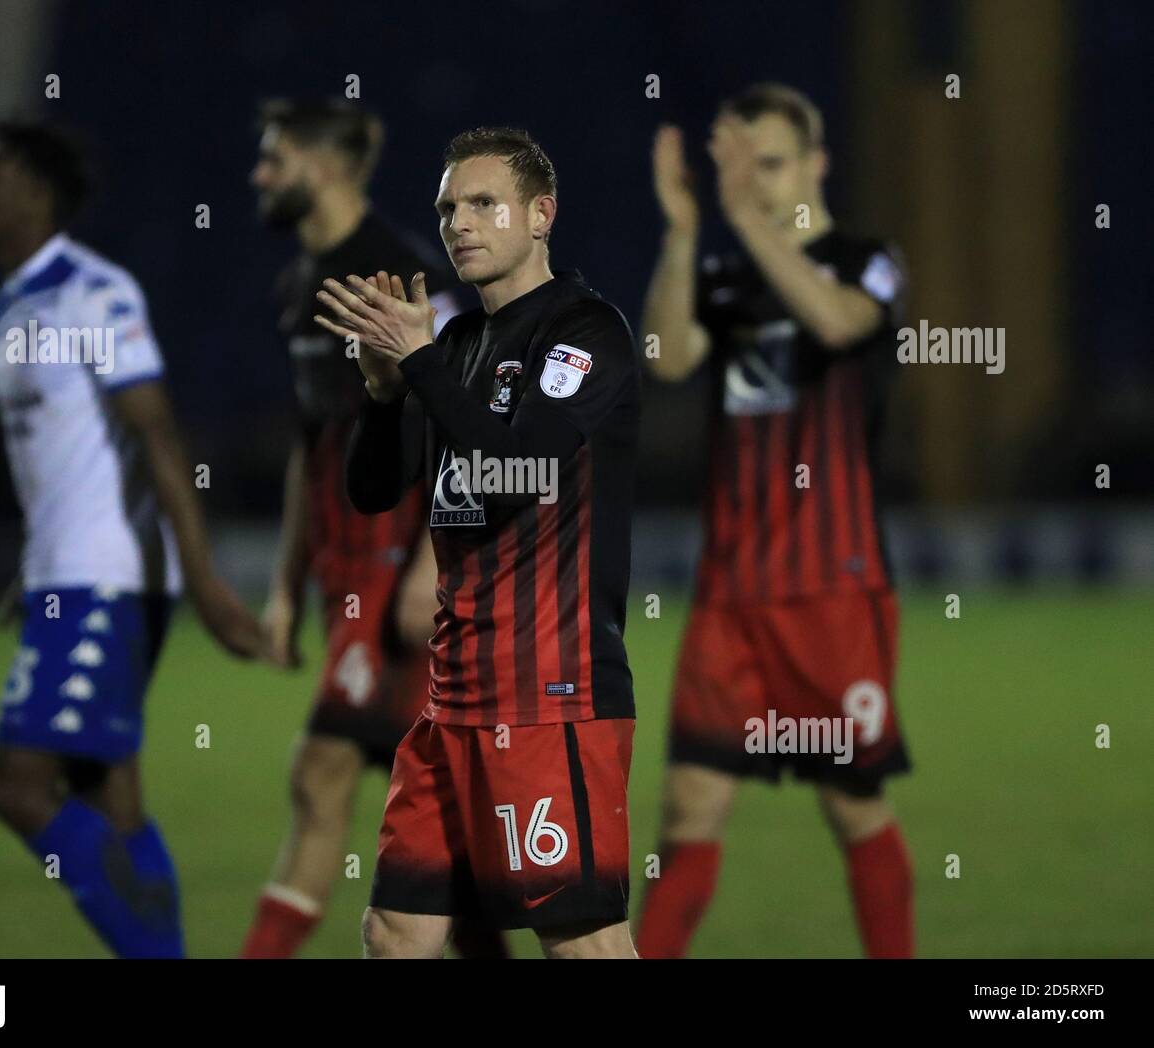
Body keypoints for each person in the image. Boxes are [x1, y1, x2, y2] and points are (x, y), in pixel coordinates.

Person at [316, 127, 642, 958]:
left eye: (484, 203)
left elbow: (522, 464)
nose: (461, 222)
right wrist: (386, 393)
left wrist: (418, 361)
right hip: (451, 700)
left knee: (585, 944)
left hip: (550, 696)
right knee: (395, 935)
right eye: (449, 207)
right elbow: (372, 492)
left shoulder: (584, 331)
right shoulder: (457, 347)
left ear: (541, 214)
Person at [0, 120, 263, 958]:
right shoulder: (11, 303)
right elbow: (64, 457)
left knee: (19, 789)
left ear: (35, 192)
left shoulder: (94, 293)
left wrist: (206, 582)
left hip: (105, 581)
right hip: (69, 576)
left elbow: (158, 436)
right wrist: (36, 568)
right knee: (108, 797)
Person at [636, 83, 914, 958]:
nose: (754, 182)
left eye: (772, 163)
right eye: (741, 166)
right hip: (730, 597)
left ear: (816, 163)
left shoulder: (867, 261)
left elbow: (836, 322)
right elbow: (667, 357)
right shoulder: (724, 279)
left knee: (854, 803)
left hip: (832, 593)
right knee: (688, 808)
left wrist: (747, 222)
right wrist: (685, 233)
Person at [240, 98, 504, 958]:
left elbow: (465, 423)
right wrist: (283, 589)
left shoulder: (406, 273)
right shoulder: (296, 287)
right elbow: (311, 450)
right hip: (346, 579)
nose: (260, 175)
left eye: (274, 159)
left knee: (328, 773)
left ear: (321, 165)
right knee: (439, 810)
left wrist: (437, 556)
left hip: (405, 570)